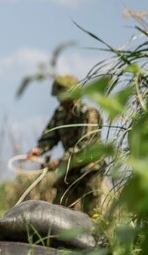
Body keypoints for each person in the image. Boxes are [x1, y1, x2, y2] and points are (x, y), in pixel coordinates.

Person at [26, 74, 105, 214]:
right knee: (58, 211)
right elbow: (50, 135)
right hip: (70, 171)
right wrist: (38, 150)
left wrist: (60, 161)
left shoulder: (89, 114)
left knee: (93, 215)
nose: (58, 99)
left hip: (89, 171)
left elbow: (84, 145)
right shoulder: (60, 113)